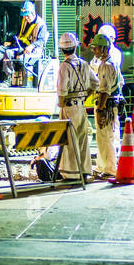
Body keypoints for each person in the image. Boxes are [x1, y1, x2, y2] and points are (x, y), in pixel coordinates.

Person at [56, 31, 98, 182]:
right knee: (83, 140)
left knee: (69, 142)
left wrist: (61, 105)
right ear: (75, 47)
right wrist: (85, 96)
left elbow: (62, 90)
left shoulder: (64, 66)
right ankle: (84, 171)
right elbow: (95, 83)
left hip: (68, 107)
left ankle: (71, 173)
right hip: (81, 107)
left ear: (62, 49)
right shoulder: (84, 64)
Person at [89, 25, 125, 178]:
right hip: (110, 103)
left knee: (107, 137)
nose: (94, 51)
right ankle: (102, 166)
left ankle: (110, 169)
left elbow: (104, 90)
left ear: (104, 48)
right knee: (103, 138)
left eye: (96, 48)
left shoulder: (108, 64)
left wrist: (100, 109)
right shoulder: (107, 62)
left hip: (108, 104)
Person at [0, 0, 48, 85]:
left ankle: (25, 82)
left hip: (34, 51)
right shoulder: (24, 21)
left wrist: (31, 46)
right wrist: (11, 42)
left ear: (33, 12)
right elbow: (19, 35)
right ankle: (7, 78)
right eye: (24, 16)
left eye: (27, 16)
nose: (26, 18)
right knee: (8, 52)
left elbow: (41, 41)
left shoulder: (41, 24)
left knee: (21, 58)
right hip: (22, 48)